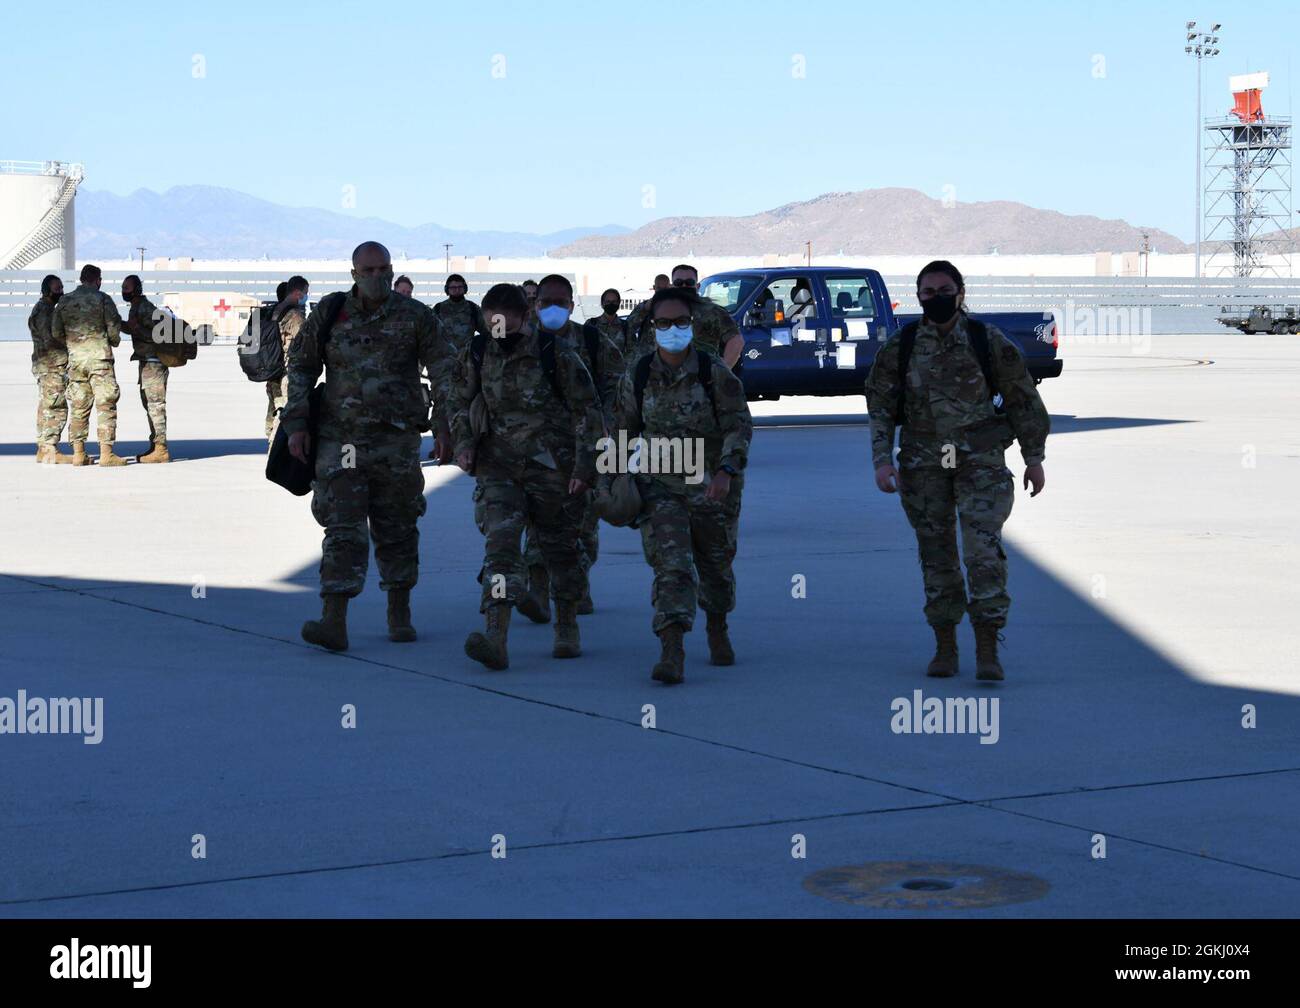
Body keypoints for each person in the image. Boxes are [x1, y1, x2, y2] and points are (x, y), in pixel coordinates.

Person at [865, 260, 1049, 681]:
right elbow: (881, 407)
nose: (936, 298)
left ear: (961, 292)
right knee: (937, 554)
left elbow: (1022, 399)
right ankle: (944, 644)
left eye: (943, 289)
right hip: (923, 465)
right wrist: (881, 460)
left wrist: (1033, 457)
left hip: (980, 462)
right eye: (927, 292)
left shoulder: (988, 341)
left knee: (982, 551)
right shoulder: (903, 345)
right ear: (918, 297)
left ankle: (987, 644)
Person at [282, 242, 453, 651]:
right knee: (342, 527)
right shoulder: (331, 312)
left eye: (384, 269)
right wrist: (297, 423)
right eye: (369, 269)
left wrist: (447, 425)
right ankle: (334, 619)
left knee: (398, 525)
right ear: (354, 272)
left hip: (396, 441)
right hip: (341, 440)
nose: (378, 276)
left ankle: (399, 611)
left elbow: (446, 369)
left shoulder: (415, 316)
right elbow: (302, 366)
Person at [449, 282, 603, 670]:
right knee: (500, 548)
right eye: (490, 321)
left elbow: (588, 414)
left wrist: (585, 468)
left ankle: (566, 624)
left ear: (524, 316)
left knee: (561, 550)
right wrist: (464, 442)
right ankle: (496, 634)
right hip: (499, 467)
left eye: (504, 320)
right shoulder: (478, 350)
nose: (497, 328)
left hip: (554, 468)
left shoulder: (557, 355)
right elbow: (457, 399)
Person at [614, 286, 752, 684]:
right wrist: (609, 478)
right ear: (652, 327)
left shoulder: (714, 373)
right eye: (663, 323)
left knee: (715, 567)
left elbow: (738, 426)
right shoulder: (638, 374)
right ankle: (672, 649)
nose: (671, 329)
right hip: (660, 484)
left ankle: (717, 625)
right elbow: (623, 429)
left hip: (712, 486)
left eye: (679, 322)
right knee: (671, 567)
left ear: (692, 324)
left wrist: (726, 471)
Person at [517, 275, 625, 621]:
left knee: (584, 521)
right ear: (534, 305)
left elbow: (616, 387)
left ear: (572, 305)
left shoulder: (592, 340)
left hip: (584, 446)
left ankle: (577, 585)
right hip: (536, 448)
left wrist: (606, 424)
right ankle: (538, 589)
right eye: (545, 302)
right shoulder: (520, 342)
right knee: (538, 519)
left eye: (559, 303)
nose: (552, 308)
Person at [52, 264, 125, 466]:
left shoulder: (65, 301)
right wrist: (114, 341)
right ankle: (107, 454)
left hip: (76, 361)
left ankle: (78, 453)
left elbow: (56, 332)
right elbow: (113, 329)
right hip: (99, 360)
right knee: (106, 404)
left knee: (78, 406)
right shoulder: (103, 299)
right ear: (98, 280)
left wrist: (73, 345)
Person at [627, 264, 744, 368]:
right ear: (672, 285)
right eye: (679, 283)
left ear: (697, 286)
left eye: (689, 282)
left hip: (699, 381)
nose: (684, 286)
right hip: (658, 380)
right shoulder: (657, 307)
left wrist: (723, 370)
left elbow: (736, 340)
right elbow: (629, 326)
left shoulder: (712, 311)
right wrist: (648, 307)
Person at [429, 274, 488, 461]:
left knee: (465, 403)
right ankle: (440, 445)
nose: (456, 290)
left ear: (465, 289)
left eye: (459, 287)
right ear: (447, 290)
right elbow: (427, 337)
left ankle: (462, 444)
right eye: (452, 288)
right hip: (443, 365)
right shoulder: (438, 309)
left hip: (466, 365)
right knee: (441, 404)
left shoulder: (472, 309)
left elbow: (488, 332)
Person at [119, 275, 171, 463]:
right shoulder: (135, 306)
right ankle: (155, 444)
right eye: (123, 287)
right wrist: (119, 324)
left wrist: (137, 329)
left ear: (137, 289)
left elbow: (161, 333)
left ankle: (161, 449)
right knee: (149, 405)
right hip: (146, 363)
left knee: (156, 406)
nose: (124, 291)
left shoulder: (144, 307)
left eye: (127, 287)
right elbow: (134, 329)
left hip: (155, 363)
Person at [29, 274, 73, 463]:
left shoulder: (44, 309)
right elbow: (51, 338)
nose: (61, 292)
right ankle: (49, 448)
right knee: (56, 406)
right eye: (57, 289)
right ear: (47, 291)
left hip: (46, 365)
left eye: (61, 288)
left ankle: (43, 447)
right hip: (52, 366)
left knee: (46, 405)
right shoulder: (45, 311)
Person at [264, 277, 309, 440]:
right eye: (305, 293)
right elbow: (304, 345)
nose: (306, 296)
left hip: (272, 369)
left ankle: (271, 441)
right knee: (285, 414)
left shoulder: (271, 311)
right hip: (287, 373)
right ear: (297, 293)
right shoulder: (295, 316)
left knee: (274, 410)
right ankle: (276, 448)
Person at [587, 287, 629, 355]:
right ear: (602, 303)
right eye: (608, 301)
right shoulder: (591, 324)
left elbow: (632, 351)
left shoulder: (625, 326)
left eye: (614, 302)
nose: (611, 304)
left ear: (618, 303)